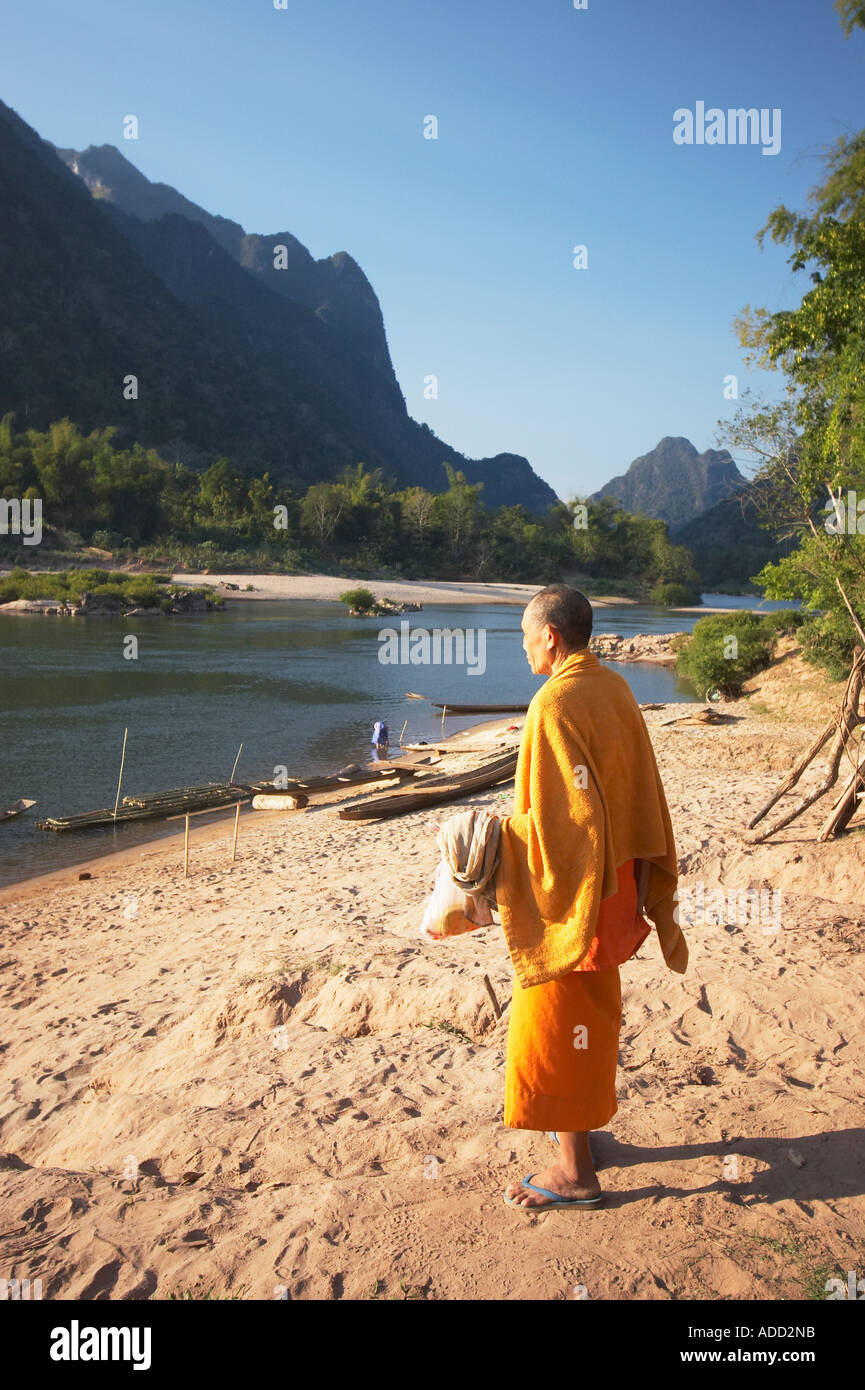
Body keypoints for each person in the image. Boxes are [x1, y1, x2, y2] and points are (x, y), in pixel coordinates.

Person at [493, 584, 687, 1210]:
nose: (524, 648)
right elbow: (630, 791)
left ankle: (575, 1174)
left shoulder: (554, 701)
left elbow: (564, 825)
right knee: (592, 1017)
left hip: (576, 892)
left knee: (554, 1021)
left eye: (526, 637)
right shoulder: (614, 687)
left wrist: (498, 838)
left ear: (550, 636)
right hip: (618, 882)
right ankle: (583, 1138)